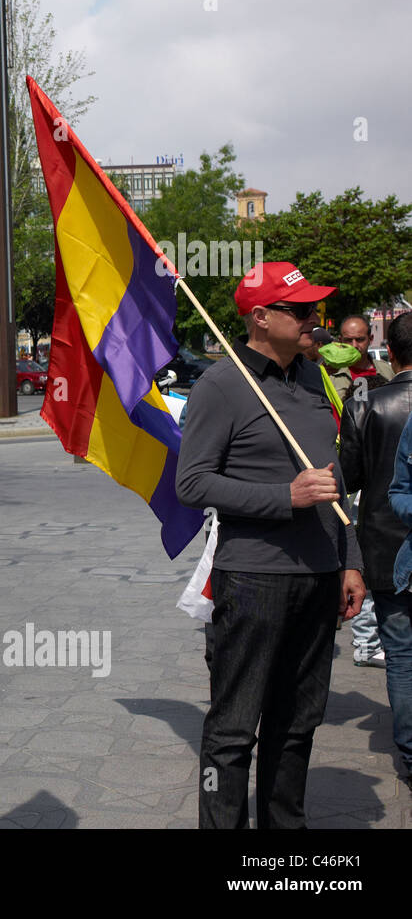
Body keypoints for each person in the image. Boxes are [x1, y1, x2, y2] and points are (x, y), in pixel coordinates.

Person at [176, 261, 364, 829]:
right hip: (254, 578)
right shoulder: (223, 383)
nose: (315, 320)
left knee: (299, 721)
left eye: (314, 309)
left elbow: (332, 480)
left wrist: (350, 561)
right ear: (260, 317)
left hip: (319, 574)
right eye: (300, 309)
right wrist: (283, 497)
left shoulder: (313, 377)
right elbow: (192, 482)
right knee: (234, 729)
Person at [351, 313, 412, 782]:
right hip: (391, 545)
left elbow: (348, 478)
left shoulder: (368, 405)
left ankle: (410, 751)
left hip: (386, 547)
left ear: (388, 353)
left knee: (401, 653)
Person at [330, 314, 394, 402]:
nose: (354, 345)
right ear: (340, 341)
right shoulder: (332, 375)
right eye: (348, 340)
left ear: (370, 339)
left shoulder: (388, 371)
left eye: (360, 339)